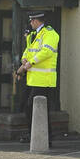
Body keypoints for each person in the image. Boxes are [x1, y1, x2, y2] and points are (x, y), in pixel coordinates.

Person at [17, 11, 59, 144]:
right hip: (33, 78)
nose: (30, 23)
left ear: (36, 21)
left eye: (31, 21)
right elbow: (29, 49)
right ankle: (34, 133)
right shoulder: (33, 35)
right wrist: (24, 58)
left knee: (36, 108)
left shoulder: (50, 33)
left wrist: (31, 62)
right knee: (27, 106)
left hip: (44, 79)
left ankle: (45, 137)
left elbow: (46, 52)